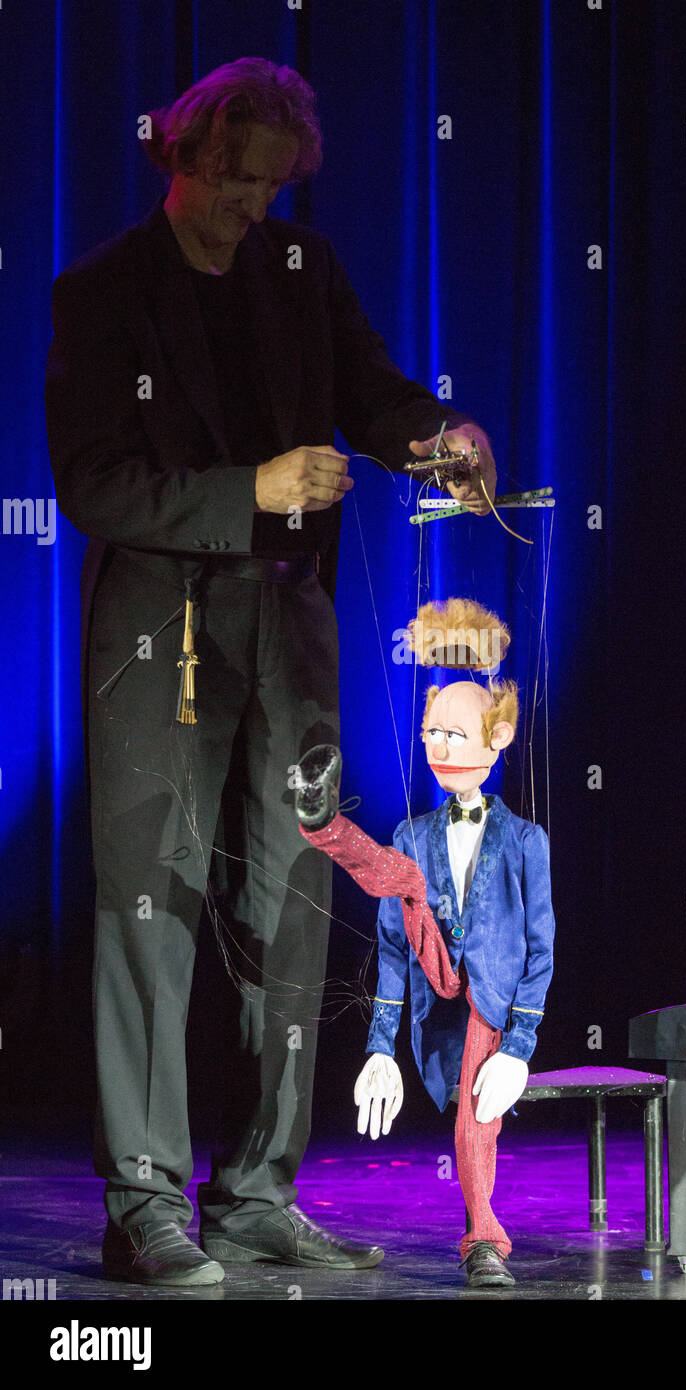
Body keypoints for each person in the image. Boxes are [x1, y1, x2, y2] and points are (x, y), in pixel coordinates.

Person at [44, 56, 496, 1287]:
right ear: (182, 156)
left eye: (272, 185)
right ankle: (142, 1197)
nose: (256, 208)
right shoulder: (103, 293)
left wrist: (434, 439)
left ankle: (258, 1189)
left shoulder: (301, 273)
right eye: (238, 182)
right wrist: (247, 491)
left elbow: (373, 392)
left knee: (290, 909)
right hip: (158, 647)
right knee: (151, 909)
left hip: (285, 641)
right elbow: (91, 481)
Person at [293, 600, 555, 1287]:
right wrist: (379, 1046)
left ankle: (483, 1240)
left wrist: (519, 1049)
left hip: (488, 999)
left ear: (496, 739)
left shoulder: (527, 841)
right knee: (404, 878)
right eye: (430, 731)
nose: (437, 745)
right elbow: (390, 949)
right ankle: (322, 825)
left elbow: (540, 948)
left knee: (476, 1121)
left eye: (453, 733)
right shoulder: (412, 833)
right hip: (430, 976)